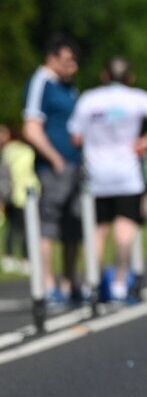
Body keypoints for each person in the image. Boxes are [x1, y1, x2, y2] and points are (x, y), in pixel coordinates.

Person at [68, 57, 147, 302]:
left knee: (97, 231)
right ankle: (119, 281)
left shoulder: (90, 99)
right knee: (125, 229)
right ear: (130, 77)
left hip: (97, 173)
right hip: (127, 173)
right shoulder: (136, 97)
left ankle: (91, 282)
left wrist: (95, 143)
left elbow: (75, 136)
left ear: (105, 75)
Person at [21, 34, 83, 303]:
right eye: (67, 60)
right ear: (52, 58)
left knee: (74, 226)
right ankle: (48, 283)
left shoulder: (68, 86)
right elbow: (31, 128)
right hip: (53, 167)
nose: (73, 66)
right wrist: (55, 158)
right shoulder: (42, 83)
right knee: (49, 225)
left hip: (75, 165)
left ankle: (70, 282)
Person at [1, 124, 39, 273]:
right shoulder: (24, 150)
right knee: (24, 229)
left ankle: (13, 257)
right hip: (24, 194)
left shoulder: (9, 151)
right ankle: (24, 259)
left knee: (15, 229)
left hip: (16, 194)